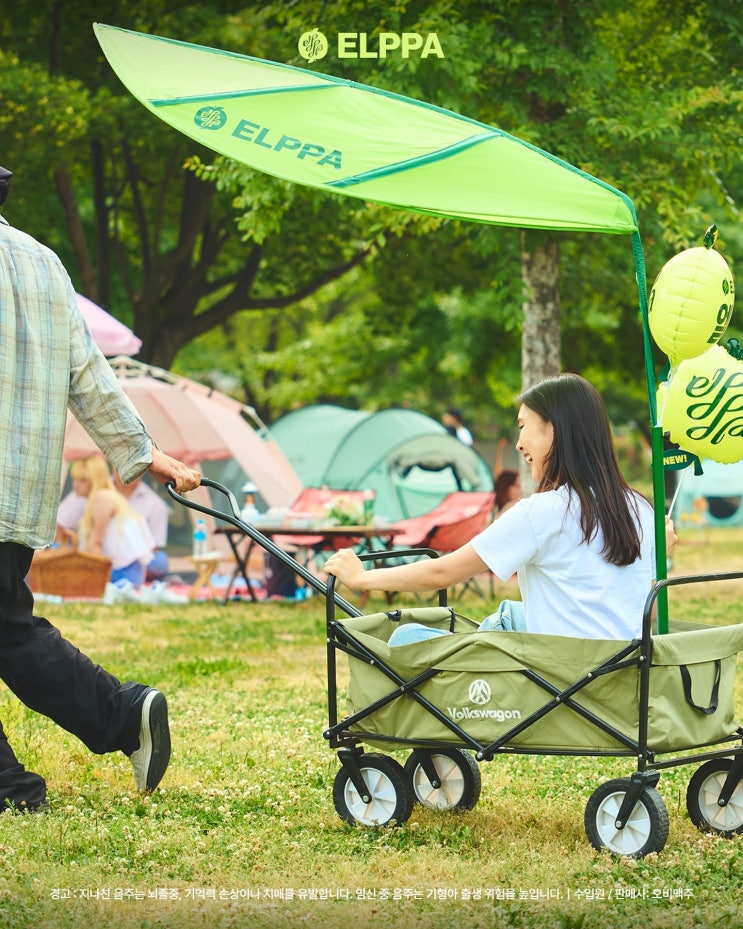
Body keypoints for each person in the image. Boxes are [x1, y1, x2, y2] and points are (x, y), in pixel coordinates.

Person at [0, 163, 201, 811]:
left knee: (10, 630)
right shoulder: (42, 263)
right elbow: (90, 374)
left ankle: (18, 784)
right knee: (9, 632)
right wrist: (144, 455)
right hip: (23, 491)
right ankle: (122, 715)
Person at [325, 374, 678, 642]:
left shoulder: (541, 512)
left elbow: (441, 573)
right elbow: (626, 602)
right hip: (619, 680)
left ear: (555, 430)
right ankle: (489, 636)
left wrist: (360, 577)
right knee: (511, 614)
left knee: (406, 637)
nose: (520, 442)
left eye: (524, 427)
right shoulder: (640, 509)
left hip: (562, 689)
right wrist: (661, 551)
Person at [70, 455, 154, 589]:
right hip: (129, 570)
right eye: (74, 479)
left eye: (83, 480)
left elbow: (96, 544)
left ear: (94, 480)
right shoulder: (103, 497)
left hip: (123, 572)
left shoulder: (102, 498)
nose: (76, 485)